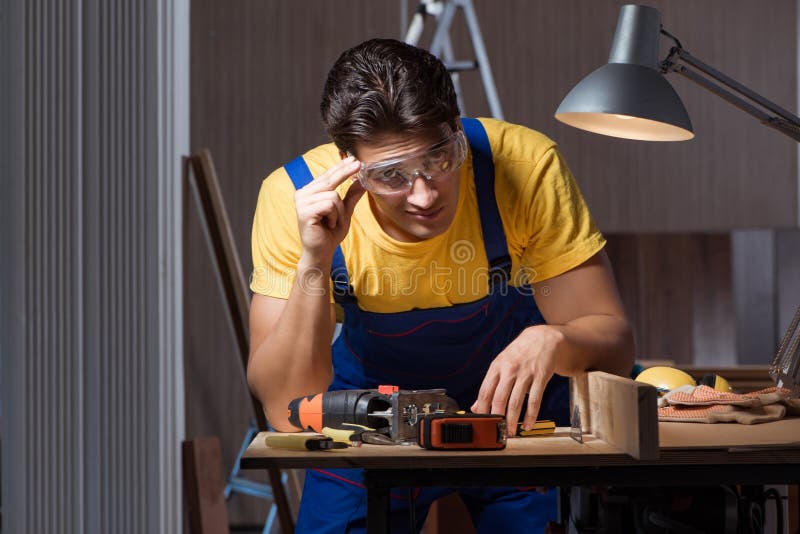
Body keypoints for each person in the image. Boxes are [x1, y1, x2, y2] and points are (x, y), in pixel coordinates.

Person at [247, 38, 634, 533]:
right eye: (391, 175)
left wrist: (557, 339)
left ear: (456, 129)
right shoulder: (295, 197)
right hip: (370, 418)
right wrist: (315, 259)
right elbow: (287, 409)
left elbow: (617, 348)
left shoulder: (521, 166)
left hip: (515, 414)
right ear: (349, 164)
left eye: (439, 158)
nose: (424, 194)